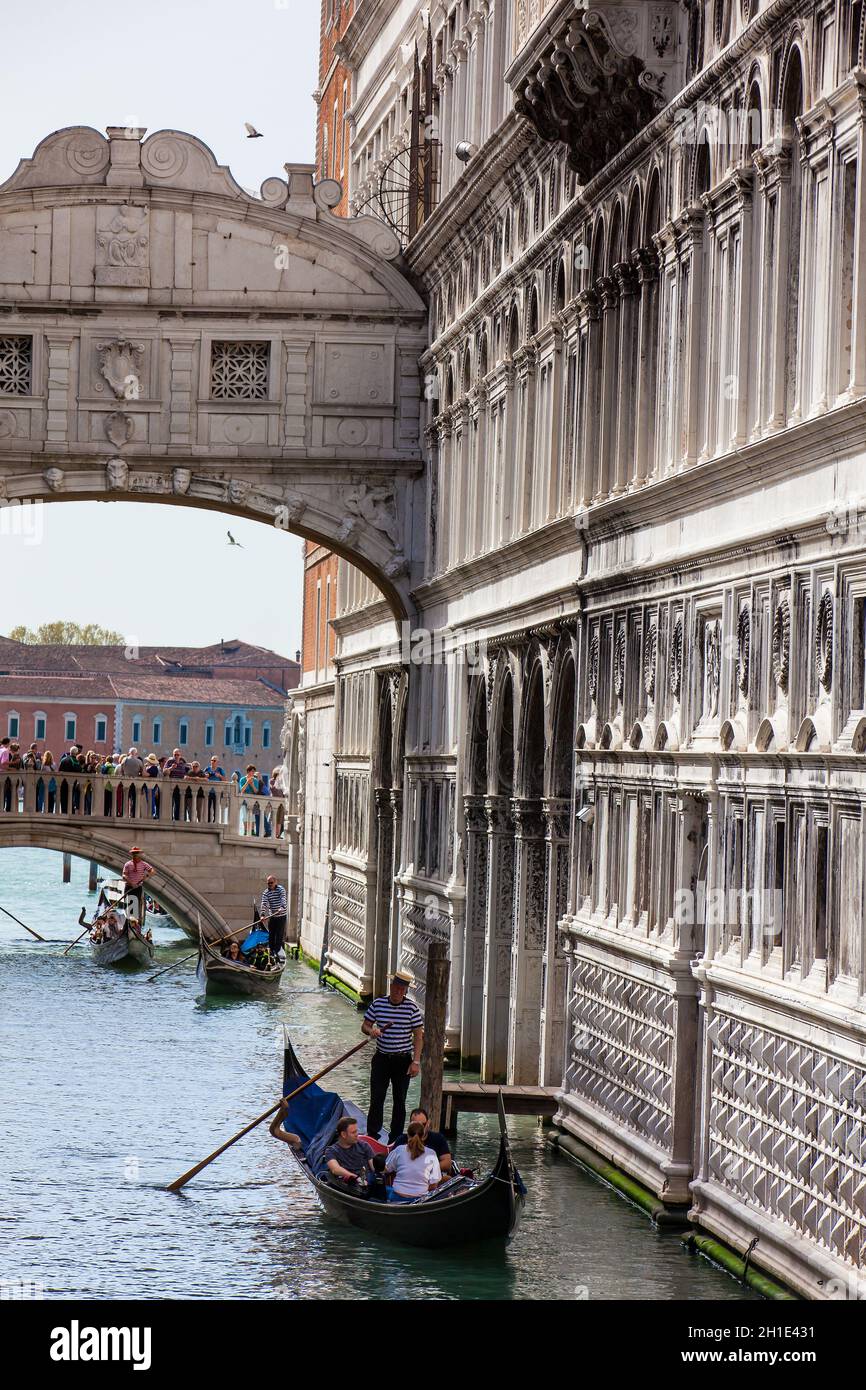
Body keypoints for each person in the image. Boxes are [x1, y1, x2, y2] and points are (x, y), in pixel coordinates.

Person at [361, 968, 424, 1144]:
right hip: (381, 1059)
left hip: (403, 1061)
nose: (397, 992)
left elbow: (418, 1037)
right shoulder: (378, 1004)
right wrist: (371, 1031)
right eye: (395, 988)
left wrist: (416, 1062)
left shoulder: (412, 1008)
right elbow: (365, 1025)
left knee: (399, 1099)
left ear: (405, 991)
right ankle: (372, 1135)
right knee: (377, 1097)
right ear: (391, 986)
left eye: (401, 989)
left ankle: (395, 1138)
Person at [384, 1120, 441, 1202]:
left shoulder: (399, 1150)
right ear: (423, 1136)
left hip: (397, 1197)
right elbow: (434, 1184)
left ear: (407, 1135)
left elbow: (386, 1169)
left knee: (385, 1189)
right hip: (420, 1200)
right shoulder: (431, 1153)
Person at [391, 1107, 452, 1176]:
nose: (419, 1129)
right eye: (415, 1126)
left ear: (428, 1123)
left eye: (422, 1125)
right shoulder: (401, 1140)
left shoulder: (438, 1139)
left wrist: (427, 1170)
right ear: (410, 1125)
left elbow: (447, 1164)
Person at [320, 1116, 373, 1194]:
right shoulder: (331, 1151)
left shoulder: (364, 1146)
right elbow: (335, 1169)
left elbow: (374, 1166)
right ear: (343, 1134)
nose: (357, 1134)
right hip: (348, 1187)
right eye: (353, 1132)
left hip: (368, 1185)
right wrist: (356, 1178)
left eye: (357, 1131)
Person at [122, 846, 154, 919]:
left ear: (139, 854)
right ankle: (128, 920)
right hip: (129, 887)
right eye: (133, 853)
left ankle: (134, 921)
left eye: (136, 853)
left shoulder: (144, 864)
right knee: (127, 905)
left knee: (136, 905)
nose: (135, 854)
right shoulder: (127, 864)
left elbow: (152, 871)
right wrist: (132, 883)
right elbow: (124, 875)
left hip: (138, 888)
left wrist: (146, 875)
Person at [260, 875, 287, 958]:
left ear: (275, 882)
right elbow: (264, 903)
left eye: (271, 883)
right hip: (272, 916)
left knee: (279, 934)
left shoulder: (281, 889)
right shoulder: (266, 892)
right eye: (268, 883)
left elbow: (283, 899)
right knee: (271, 934)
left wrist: (281, 907)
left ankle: (277, 951)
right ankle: (271, 951)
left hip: (281, 915)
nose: (270, 885)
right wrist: (262, 915)